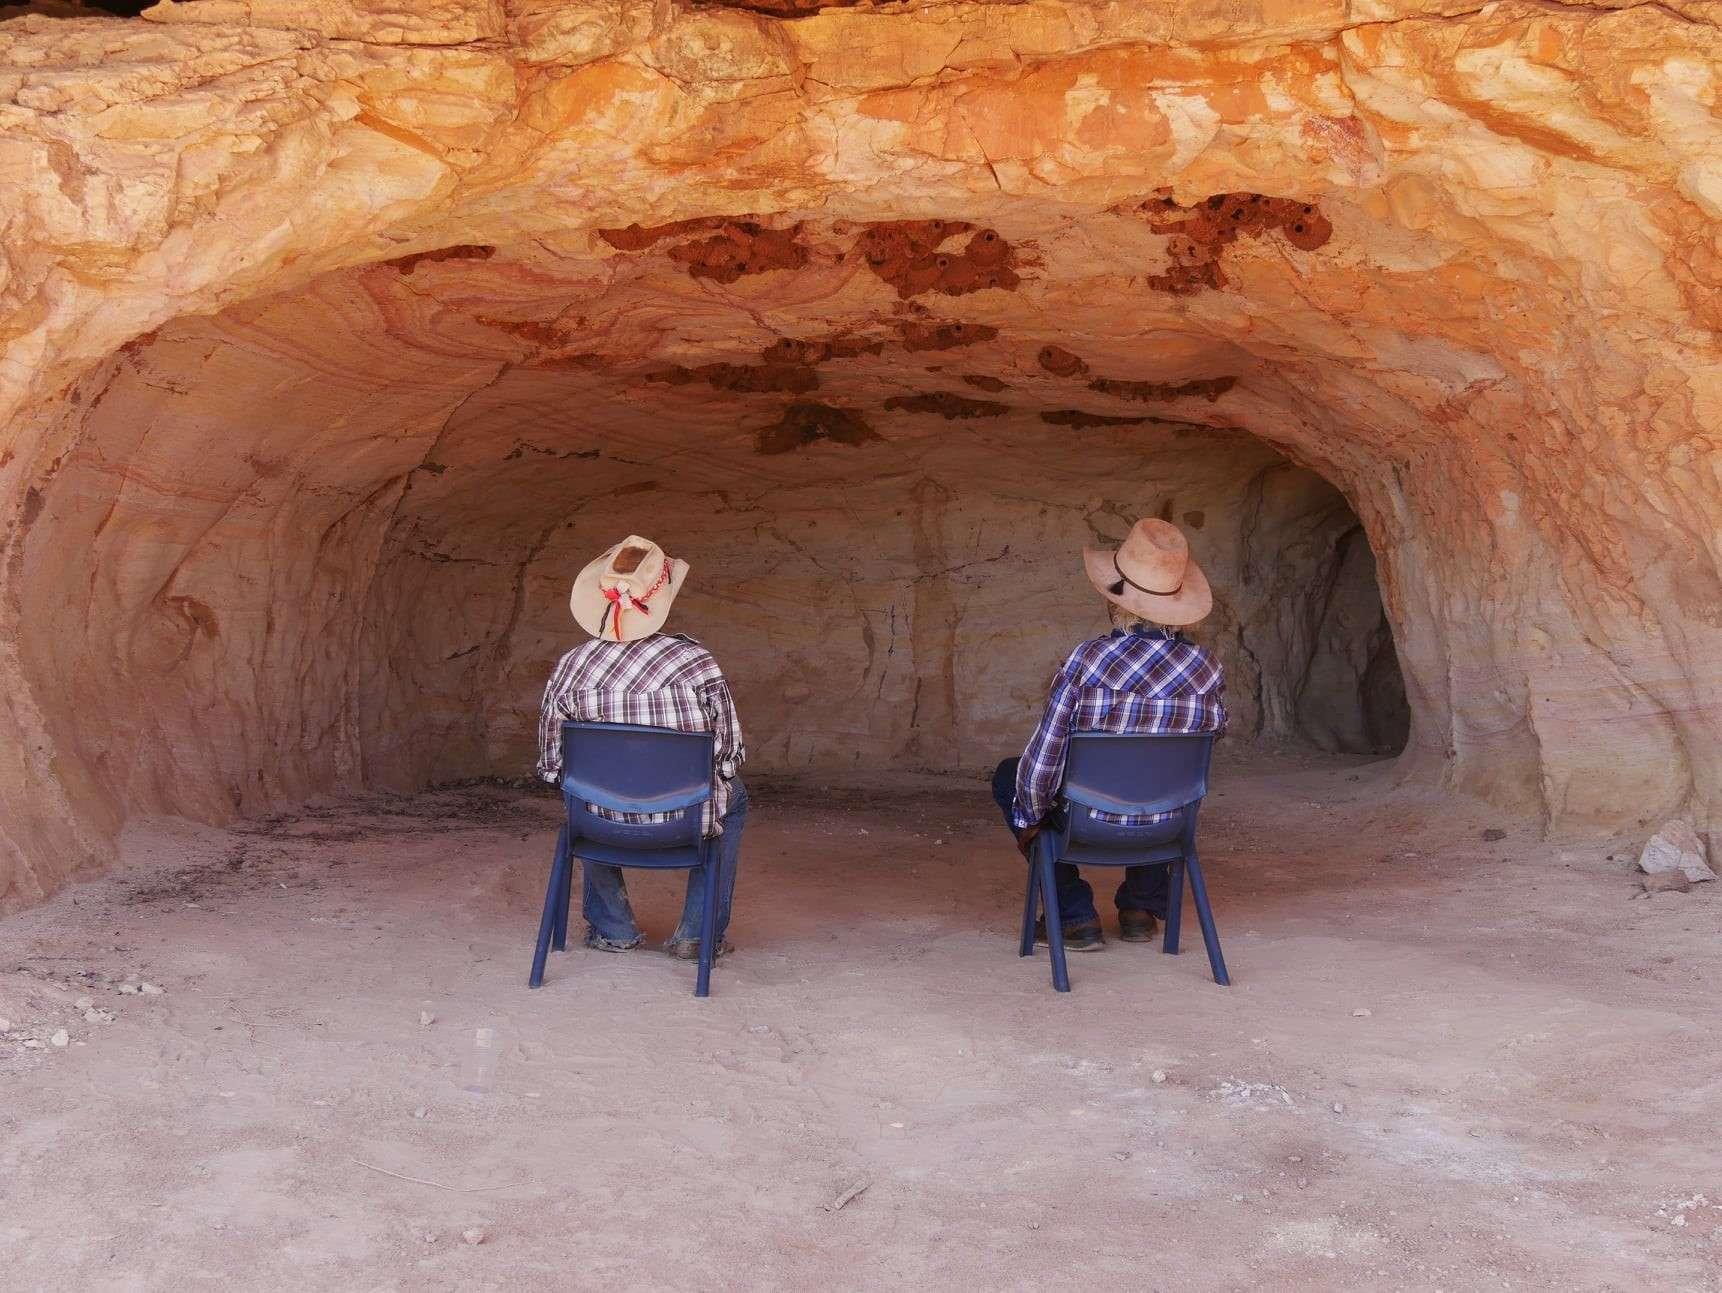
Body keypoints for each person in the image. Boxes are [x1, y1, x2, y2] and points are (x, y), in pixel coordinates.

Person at [993, 518, 1226, 952]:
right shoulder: (1207, 667)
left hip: (1087, 821)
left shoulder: (1088, 660)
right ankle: (1140, 908)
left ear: (1115, 598)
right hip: (1169, 825)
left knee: (1012, 777)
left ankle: (1074, 916)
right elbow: (1213, 738)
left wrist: (1031, 817)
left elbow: (1045, 757)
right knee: (1159, 776)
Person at [536, 535, 746, 961]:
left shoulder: (571, 666)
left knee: (580, 789)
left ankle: (612, 928)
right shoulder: (696, 662)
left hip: (597, 823)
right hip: (685, 820)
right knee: (734, 795)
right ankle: (697, 935)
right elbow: (729, 754)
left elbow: (552, 764)